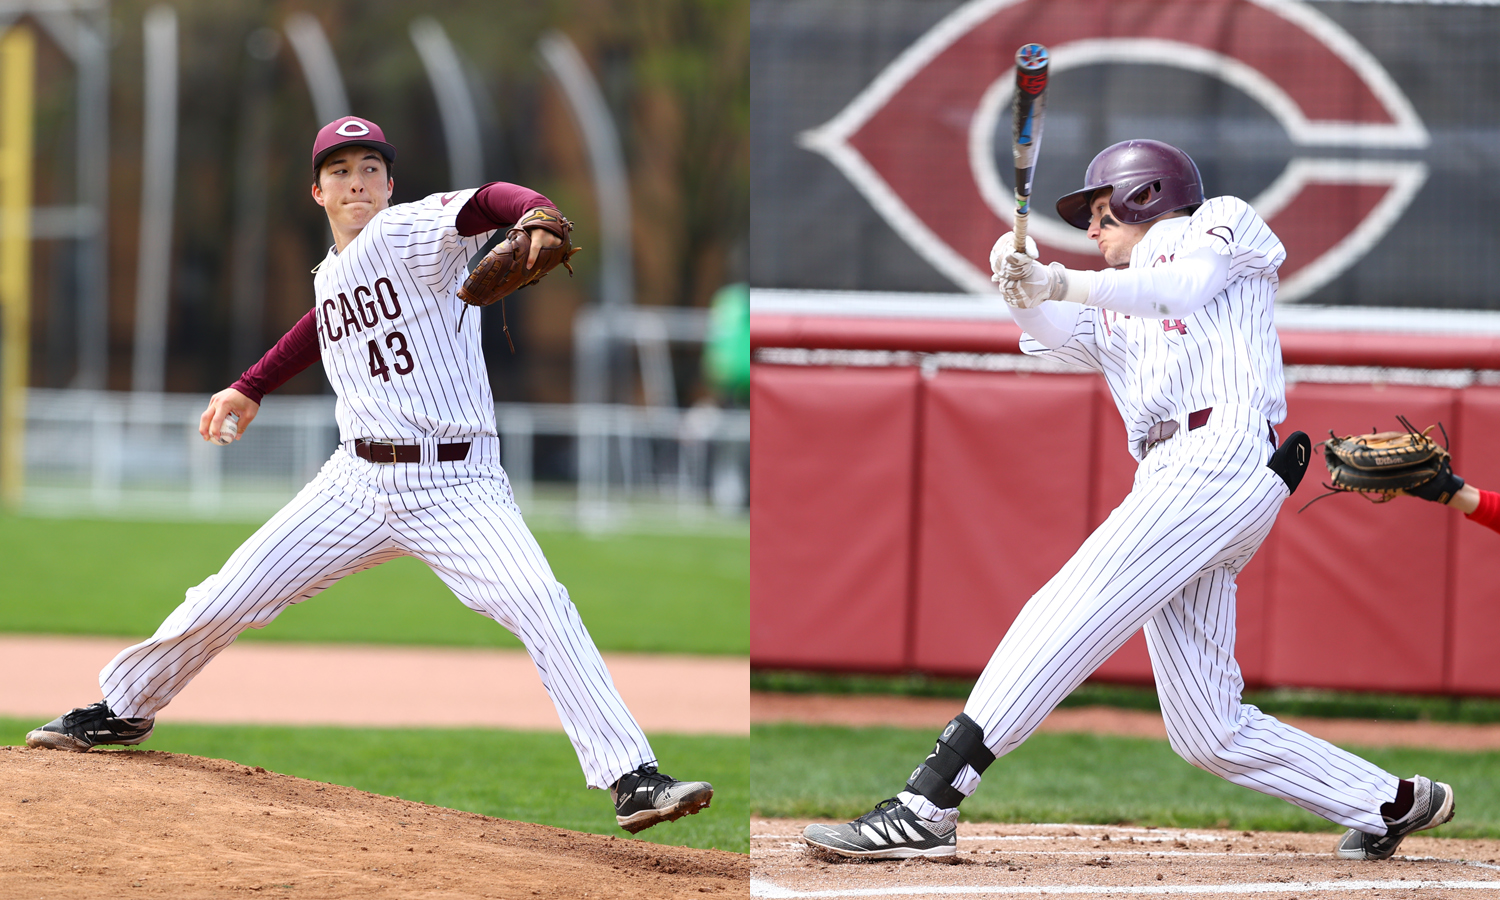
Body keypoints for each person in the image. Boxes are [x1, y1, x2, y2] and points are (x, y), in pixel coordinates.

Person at [26, 115, 713, 836]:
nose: (357, 180)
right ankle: (123, 708)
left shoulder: (408, 232)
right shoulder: (332, 274)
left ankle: (632, 778)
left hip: (458, 487)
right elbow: (317, 324)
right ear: (316, 190)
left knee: (540, 599)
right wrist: (250, 386)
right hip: (355, 484)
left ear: (390, 185)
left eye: (371, 168)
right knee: (228, 593)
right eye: (340, 170)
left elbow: (489, 200)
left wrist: (535, 210)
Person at [800, 139, 1450, 862]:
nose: (1090, 230)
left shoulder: (1214, 225)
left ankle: (929, 801)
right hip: (1181, 472)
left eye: (1101, 213)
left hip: (1218, 453)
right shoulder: (1114, 301)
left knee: (1070, 603)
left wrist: (1057, 280)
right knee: (1208, 729)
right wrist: (1020, 293)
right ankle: (1389, 800)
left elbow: (1177, 289)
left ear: (1145, 196)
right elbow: (1054, 329)